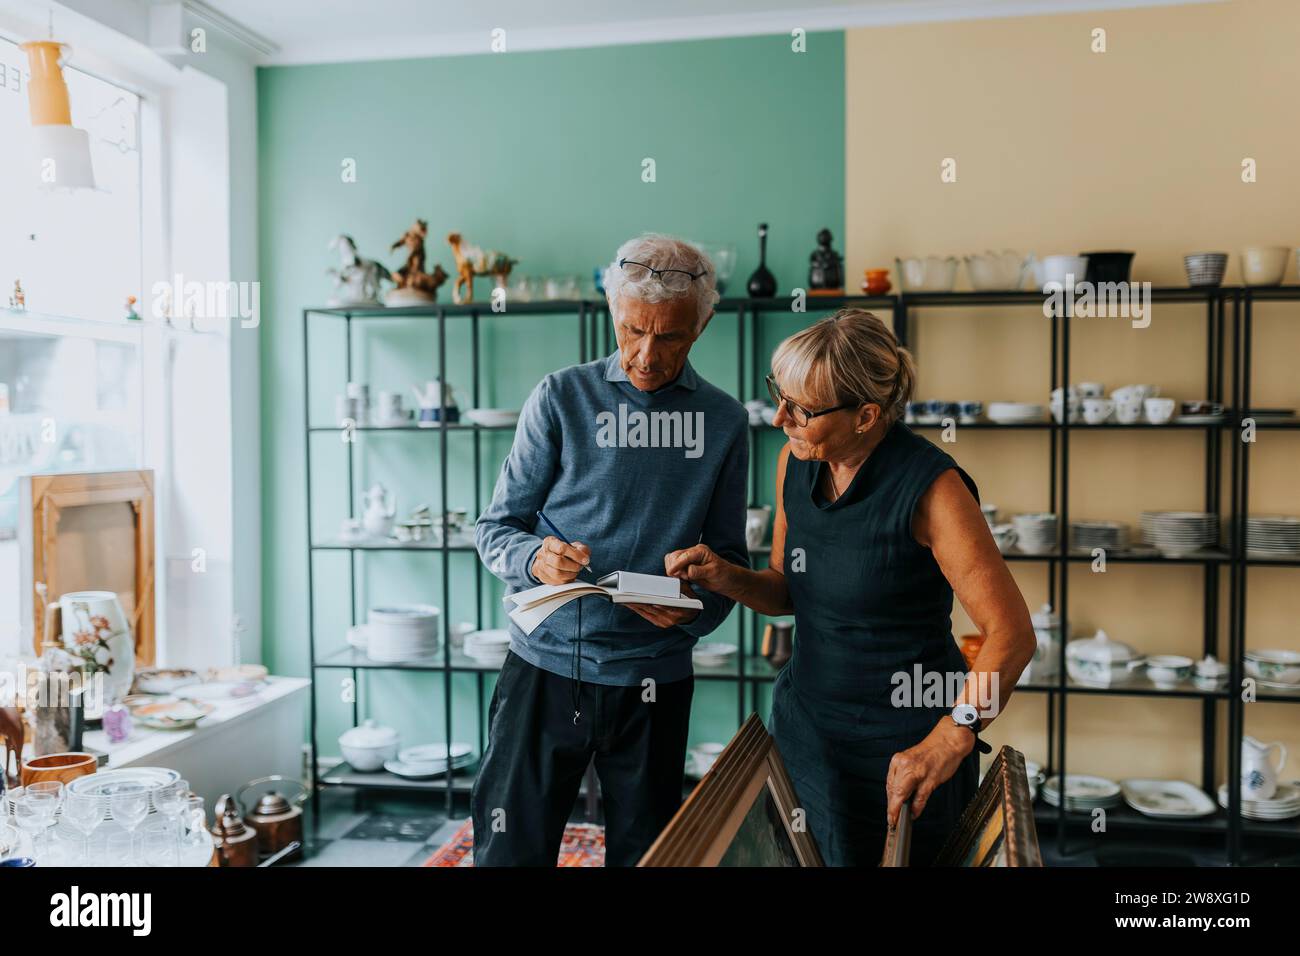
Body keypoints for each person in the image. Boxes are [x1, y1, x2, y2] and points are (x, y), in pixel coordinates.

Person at [665, 309, 1036, 865]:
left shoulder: (934, 489)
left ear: (866, 415)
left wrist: (953, 735)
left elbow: (1013, 635)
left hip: (906, 747)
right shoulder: (796, 459)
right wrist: (725, 576)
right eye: (778, 394)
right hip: (808, 733)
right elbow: (787, 592)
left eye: (802, 410)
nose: (779, 418)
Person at [471, 234, 749, 866]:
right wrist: (536, 558)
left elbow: (727, 563)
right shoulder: (560, 397)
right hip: (544, 669)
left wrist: (697, 611)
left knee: (648, 856)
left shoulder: (725, 421)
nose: (647, 355)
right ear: (611, 312)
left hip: (655, 677)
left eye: (671, 337)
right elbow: (495, 529)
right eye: (632, 330)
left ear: (702, 326)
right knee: (509, 852)